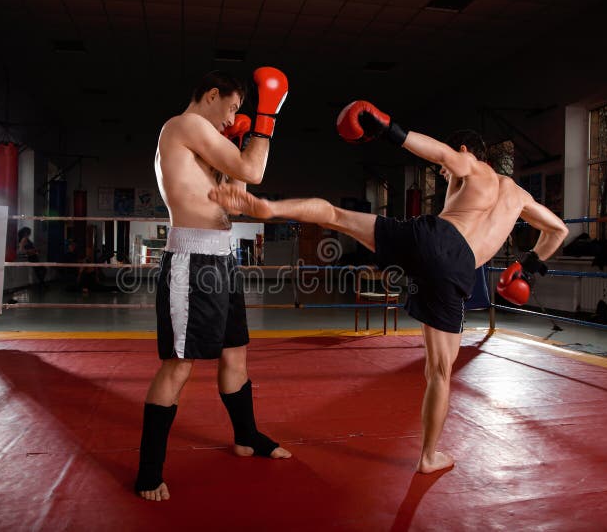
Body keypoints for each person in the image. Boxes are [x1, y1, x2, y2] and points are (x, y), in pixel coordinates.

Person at [209, 99, 569, 474]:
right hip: (457, 269)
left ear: (466, 152)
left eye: (446, 173)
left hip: (430, 238)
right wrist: (526, 270)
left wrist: (389, 129)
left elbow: (443, 153)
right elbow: (557, 230)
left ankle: (269, 208)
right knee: (440, 373)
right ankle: (429, 457)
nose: (447, 175)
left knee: (335, 216)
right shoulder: (520, 198)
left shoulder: (471, 166)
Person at [135, 68, 291, 502]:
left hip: (222, 258)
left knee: (235, 354)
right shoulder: (183, 126)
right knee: (179, 364)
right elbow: (255, 171)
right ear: (209, 95)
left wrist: (239, 143)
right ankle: (149, 472)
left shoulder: (206, 142)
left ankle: (247, 437)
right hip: (192, 260)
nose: (231, 117)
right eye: (233, 107)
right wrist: (266, 115)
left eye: (240, 111)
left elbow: (238, 195)